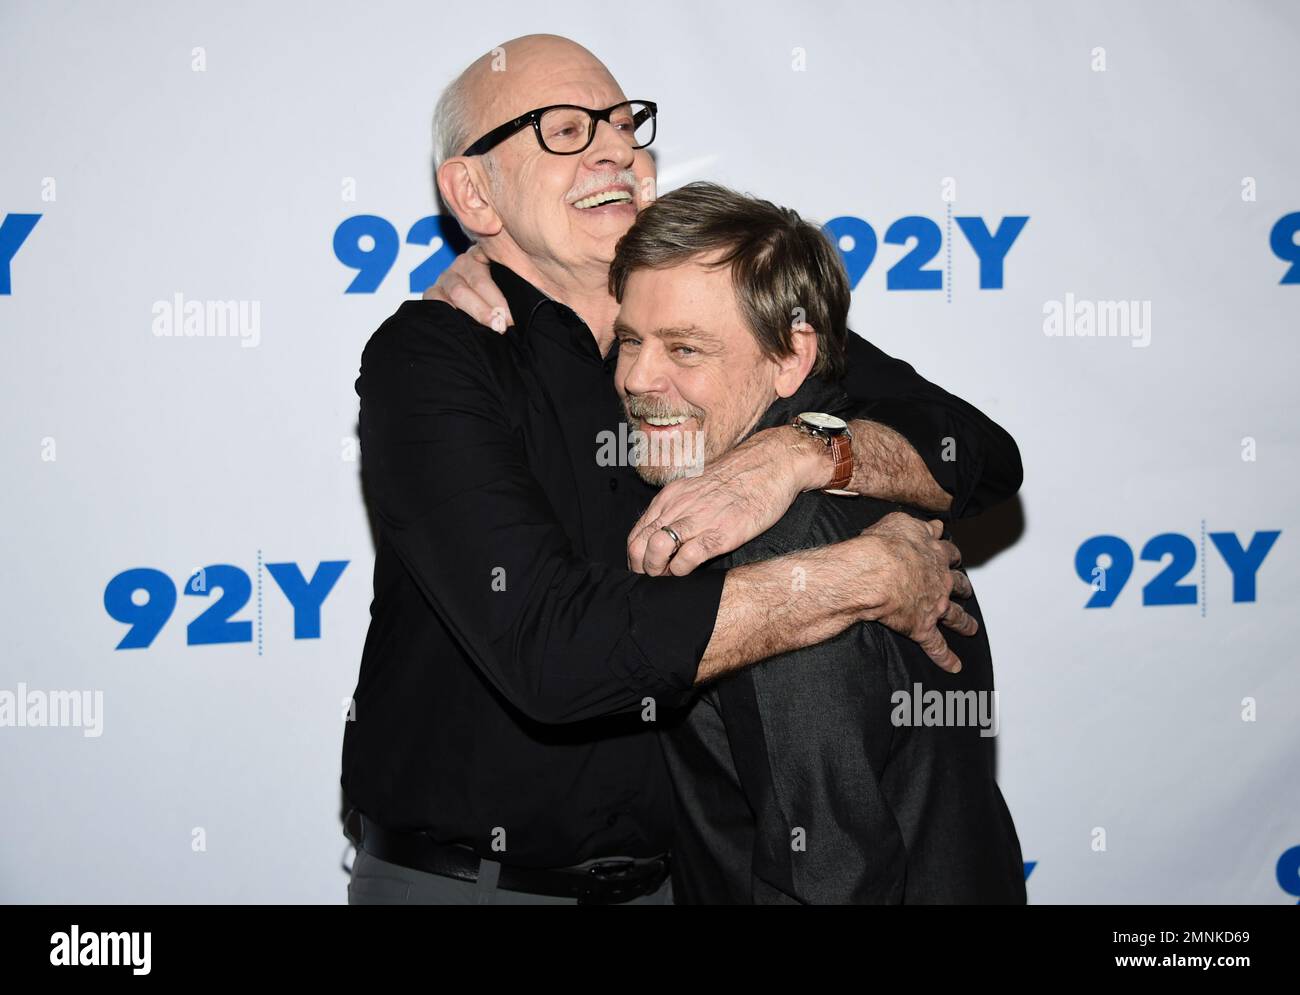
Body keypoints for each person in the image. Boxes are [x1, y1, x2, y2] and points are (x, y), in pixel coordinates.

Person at [342, 33, 1020, 904]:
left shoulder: (709, 311)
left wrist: (803, 450)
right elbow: (553, 656)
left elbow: (980, 453)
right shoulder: (435, 357)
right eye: (564, 129)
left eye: (625, 125)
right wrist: (856, 576)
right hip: (476, 885)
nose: (615, 147)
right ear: (475, 192)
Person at [608, 181, 1025, 903]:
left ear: (791, 357)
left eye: (684, 347)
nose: (639, 376)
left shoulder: (780, 548)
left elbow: (827, 877)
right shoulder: (869, 482)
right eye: (629, 340)